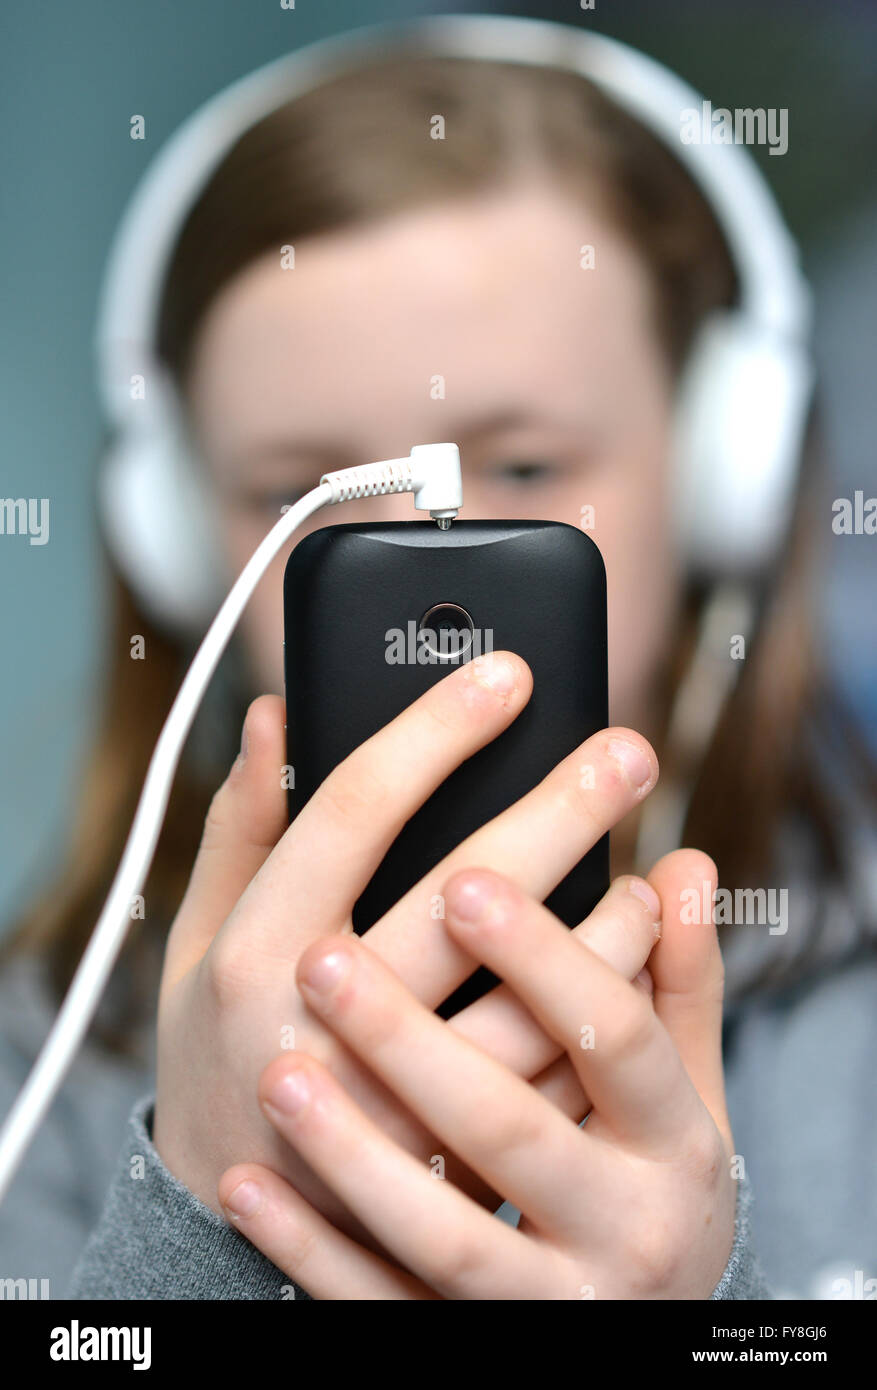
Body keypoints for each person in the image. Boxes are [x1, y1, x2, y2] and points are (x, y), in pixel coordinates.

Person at [2, 16, 875, 1300]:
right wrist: (194, 1229)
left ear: (715, 481)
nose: (421, 559)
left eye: (522, 467)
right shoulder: (45, 1062)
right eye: (307, 488)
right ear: (183, 544)